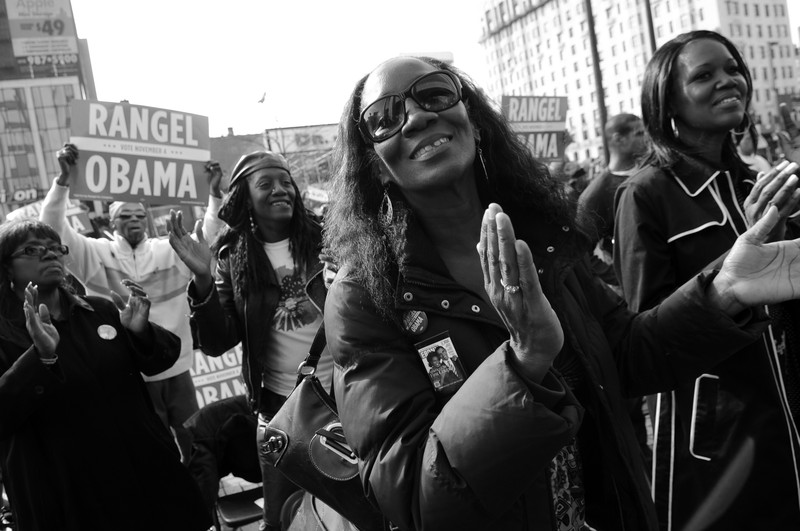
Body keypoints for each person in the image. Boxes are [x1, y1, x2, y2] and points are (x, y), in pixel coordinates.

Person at [321, 55, 800, 531]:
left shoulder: (545, 239)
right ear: (376, 165)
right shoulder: (364, 297)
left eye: (435, 94)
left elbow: (629, 353)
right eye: (385, 117)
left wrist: (724, 289)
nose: (419, 116)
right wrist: (522, 365)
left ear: (475, 121)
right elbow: (413, 501)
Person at [614, 30, 800, 530]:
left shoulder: (756, 182)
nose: (728, 80)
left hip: (787, 414)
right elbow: (646, 333)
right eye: (704, 75)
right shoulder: (645, 194)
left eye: (733, 67)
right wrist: (731, 271)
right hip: (712, 436)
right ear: (667, 100)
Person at [0, 219, 209, 531]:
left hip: (144, 480)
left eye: (56, 248)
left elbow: (162, 360)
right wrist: (39, 359)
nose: (50, 255)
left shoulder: (100, 310)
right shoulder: (4, 333)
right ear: (6, 269)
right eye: (32, 250)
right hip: (69, 498)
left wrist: (141, 332)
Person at [166, 150, 333, 531]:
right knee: (280, 518)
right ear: (246, 197)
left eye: (286, 182)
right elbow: (217, 342)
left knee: (365, 503)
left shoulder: (329, 235)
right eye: (266, 184)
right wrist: (204, 283)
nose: (281, 190)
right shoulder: (229, 256)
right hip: (280, 409)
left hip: (347, 392)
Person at [39, 143, 224, 464]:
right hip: (128, 376)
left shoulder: (172, 249)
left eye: (140, 214)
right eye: (125, 215)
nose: (135, 220)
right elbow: (52, 231)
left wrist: (213, 195)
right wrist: (63, 181)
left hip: (177, 370)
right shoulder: (94, 254)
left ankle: (204, 509)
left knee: (198, 447)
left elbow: (212, 235)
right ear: (112, 222)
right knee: (152, 454)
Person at [577, 113, 647, 291]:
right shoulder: (595, 194)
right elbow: (580, 251)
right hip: (637, 291)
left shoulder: (652, 173)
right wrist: (621, 277)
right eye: (639, 133)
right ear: (618, 139)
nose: (647, 138)